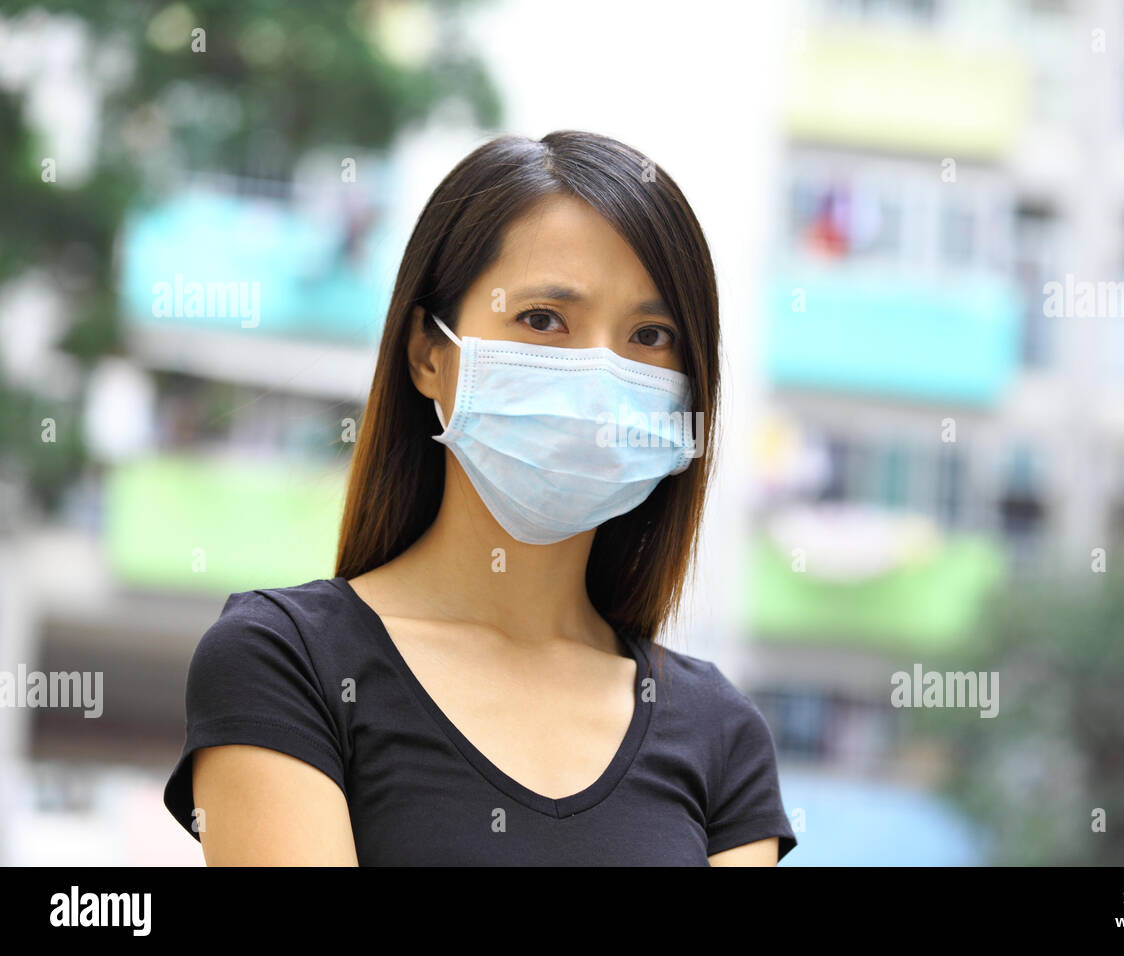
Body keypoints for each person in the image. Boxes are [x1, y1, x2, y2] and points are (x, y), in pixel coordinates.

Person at [162, 130, 798, 866]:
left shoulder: (721, 737)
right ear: (429, 354)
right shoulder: (286, 664)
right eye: (542, 320)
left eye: (650, 335)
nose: (599, 372)